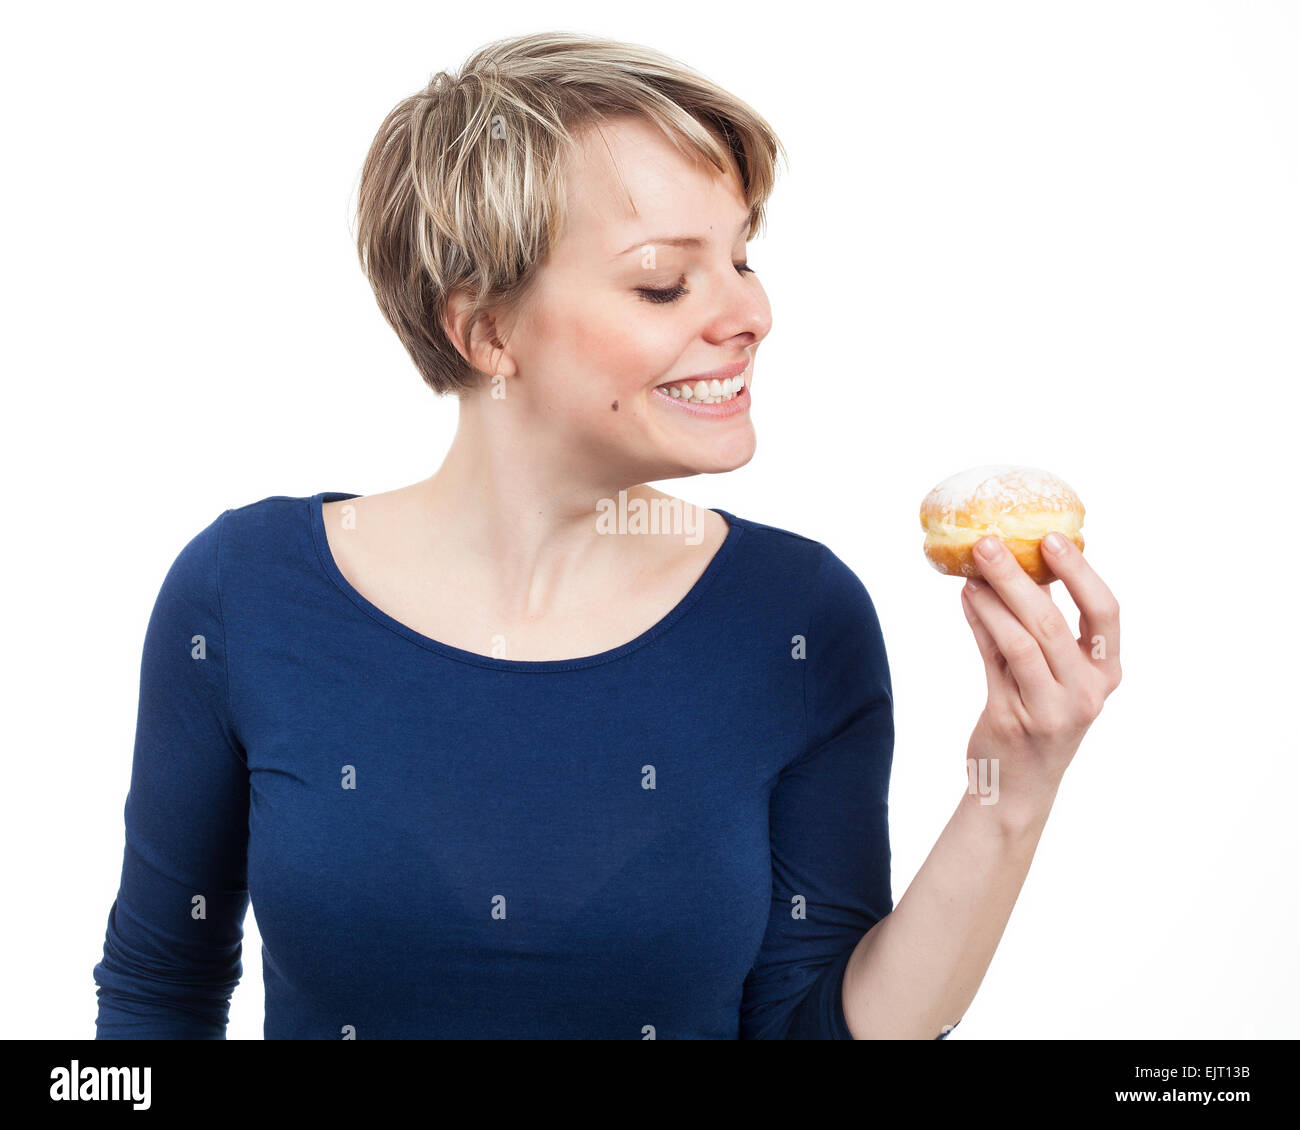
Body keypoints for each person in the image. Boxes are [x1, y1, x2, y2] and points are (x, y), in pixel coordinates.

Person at [92, 31, 1121, 1040]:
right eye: (665, 281)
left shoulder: (797, 616)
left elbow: (808, 1027)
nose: (751, 313)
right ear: (487, 333)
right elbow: (156, 994)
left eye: (742, 258)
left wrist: (1010, 786)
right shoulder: (245, 591)